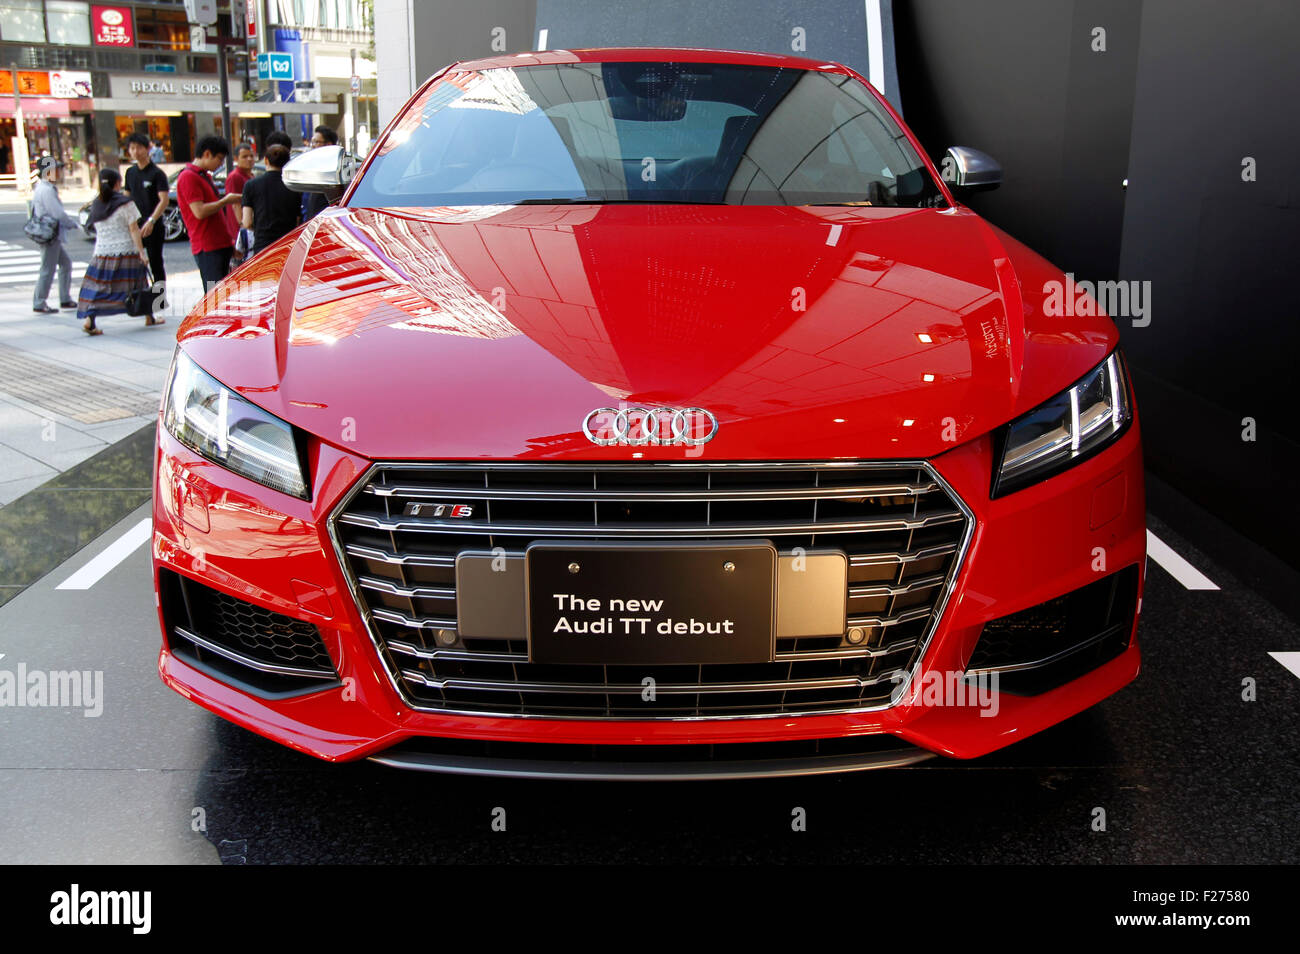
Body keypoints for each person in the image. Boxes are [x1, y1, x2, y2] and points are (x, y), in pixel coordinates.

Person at [76, 168, 157, 336]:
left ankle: (90, 319)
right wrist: (141, 252)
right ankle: (149, 316)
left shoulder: (96, 204)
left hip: (101, 253)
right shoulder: (125, 203)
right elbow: (134, 229)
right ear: (118, 183)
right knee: (138, 284)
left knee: (98, 287)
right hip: (127, 251)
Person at [175, 135, 241, 291]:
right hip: (207, 246)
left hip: (219, 244)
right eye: (219, 159)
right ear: (206, 154)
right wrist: (225, 201)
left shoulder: (203, 175)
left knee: (223, 293)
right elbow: (199, 212)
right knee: (215, 295)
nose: (220, 163)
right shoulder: (188, 176)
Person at [124, 131, 170, 309]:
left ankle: (159, 300)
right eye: (132, 148)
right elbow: (126, 198)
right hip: (135, 225)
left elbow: (164, 200)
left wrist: (152, 220)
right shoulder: (130, 173)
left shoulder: (156, 173)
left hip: (153, 226)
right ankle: (139, 300)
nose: (135, 152)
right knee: (137, 262)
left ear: (147, 149)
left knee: (156, 262)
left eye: (139, 148)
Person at [30, 156, 79, 314]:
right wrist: (72, 223)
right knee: (48, 268)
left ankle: (64, 298)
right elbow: (57, 213)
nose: (58, 172)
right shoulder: (46, 190)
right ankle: (39, 302)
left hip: (48, 234)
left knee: (65, 264)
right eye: (56, 169)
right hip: (49, 234)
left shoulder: (42, 188)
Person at [241, 144, 301, 255]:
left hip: (263, 246)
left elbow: (247, 222)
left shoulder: (251, 185)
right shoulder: (293, 186)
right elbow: (297, 221)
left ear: (266, 160)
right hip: (288, 245)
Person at [224, 142, 256, 265]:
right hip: (241, 231)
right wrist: (243, 224)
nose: (249, 159)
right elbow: (236, 204)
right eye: (244, 156)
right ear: (236, 159)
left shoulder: (251, 176)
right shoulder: (235, 177)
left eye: (251, 156)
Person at [301, 124, 338, 222]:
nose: (313, 145)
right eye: (312, 142)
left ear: (329, 144)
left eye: (316, 142)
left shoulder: (336, 169)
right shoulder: (310, 168)